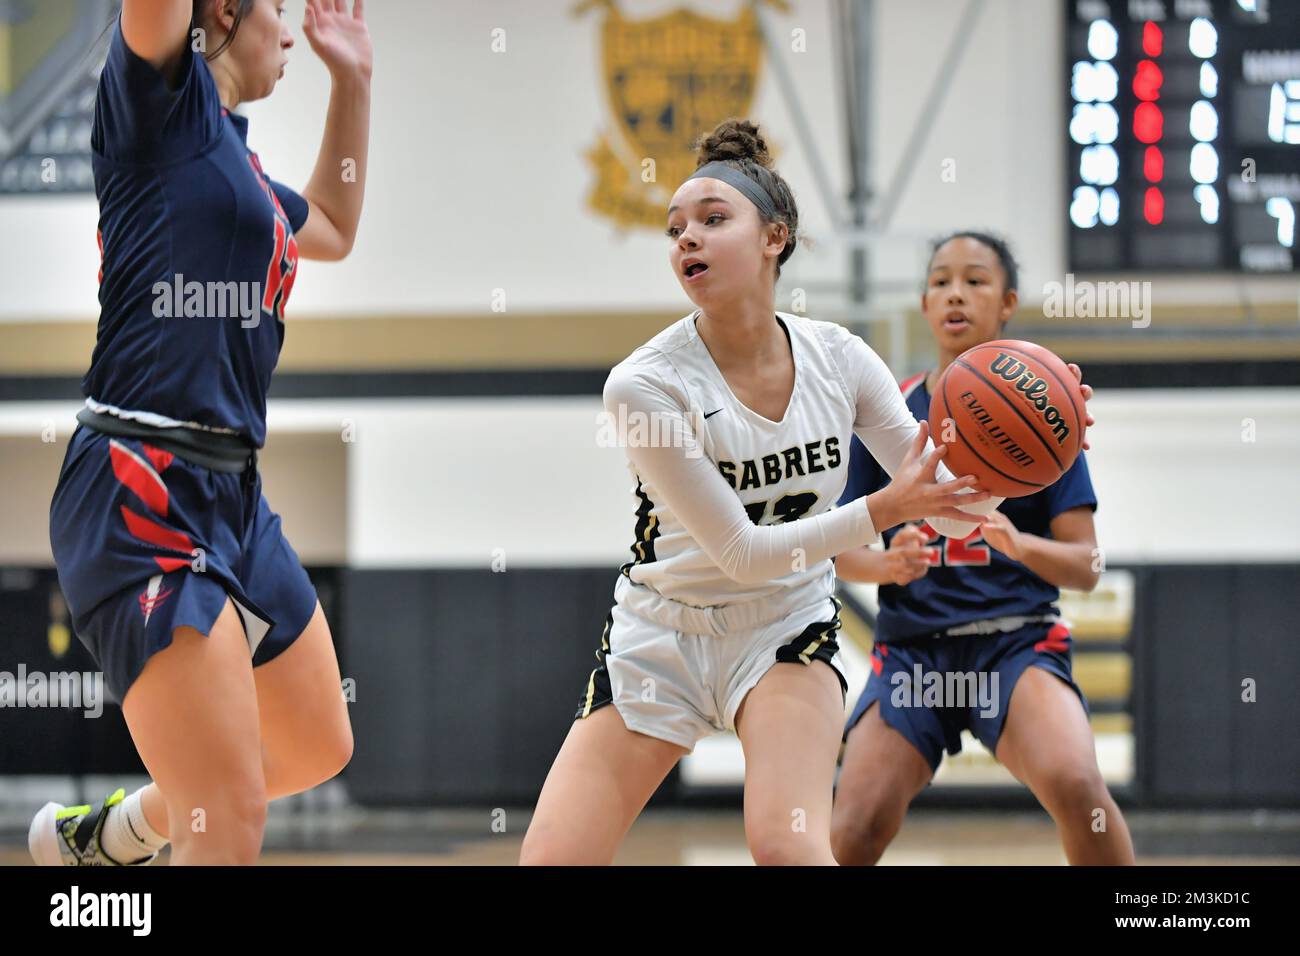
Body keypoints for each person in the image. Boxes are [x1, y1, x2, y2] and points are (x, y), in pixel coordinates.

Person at [520, 121, 1011, 866]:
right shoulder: (645, 384)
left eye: (714, 221)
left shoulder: (840, 359)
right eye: (675, 228)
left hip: (786, 630)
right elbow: (741, 553)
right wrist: (881, 511)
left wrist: (1032, 449)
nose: (687, 239)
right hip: (663, 635)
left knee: (786, 848)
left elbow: (957, 499)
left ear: (774, 238)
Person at [29, 0, 372, 866]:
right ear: (221, 11)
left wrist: (353, 77)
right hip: (138, 480)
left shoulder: (244, 168)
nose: (292, 34)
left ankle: (121, 833)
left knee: (315, 746)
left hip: (232, 490)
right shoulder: (157, 106)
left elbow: (332, 227)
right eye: (280, 16)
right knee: (229, 819)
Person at [829, 231, 1133, 865]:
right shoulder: (890, 418)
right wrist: (886, 562)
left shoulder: (1048, 420)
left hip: (1014, 644)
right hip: (913, 652)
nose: (955, 294)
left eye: (975, 280)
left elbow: (1087, 566)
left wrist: (1017, 543)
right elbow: (834, 551)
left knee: (1081, 790)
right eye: (940, 281)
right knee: (849, 830)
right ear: (923, 304)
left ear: (1008, 303)